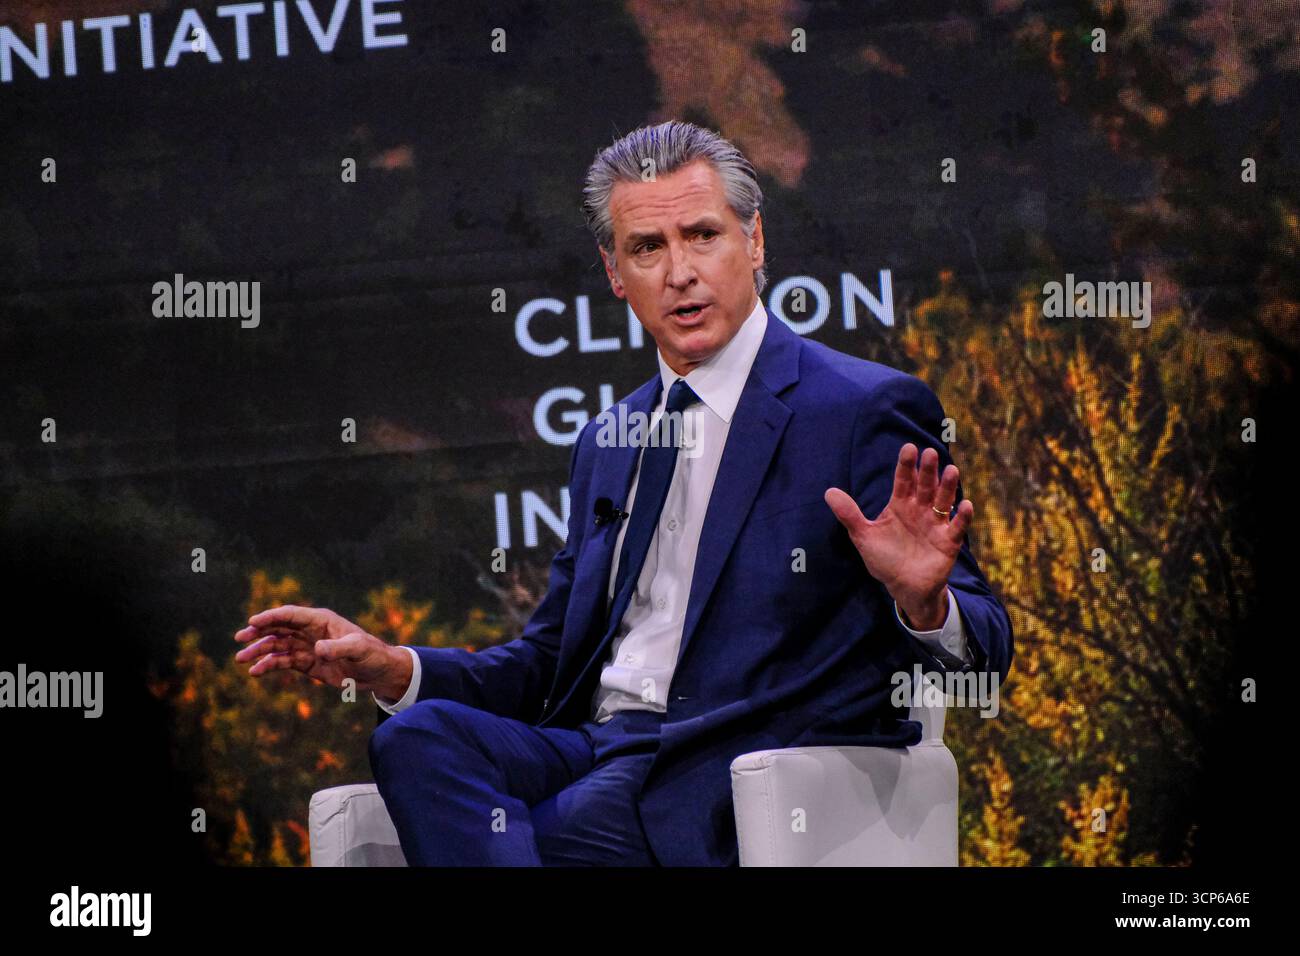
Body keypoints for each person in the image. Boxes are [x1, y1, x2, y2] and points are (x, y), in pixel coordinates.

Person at [234, 120, 1013, 866]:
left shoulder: (858, 408)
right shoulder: (612, 438)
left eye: (702, 235)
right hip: (592, 746)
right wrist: (391, 668)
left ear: (755, 240)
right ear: (615, 273)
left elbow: (987, 647)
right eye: (647, 247)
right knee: (415, 737)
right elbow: (548, 663)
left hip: (716, 773)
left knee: (537, 834)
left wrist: (924, 606)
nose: (680, 271)